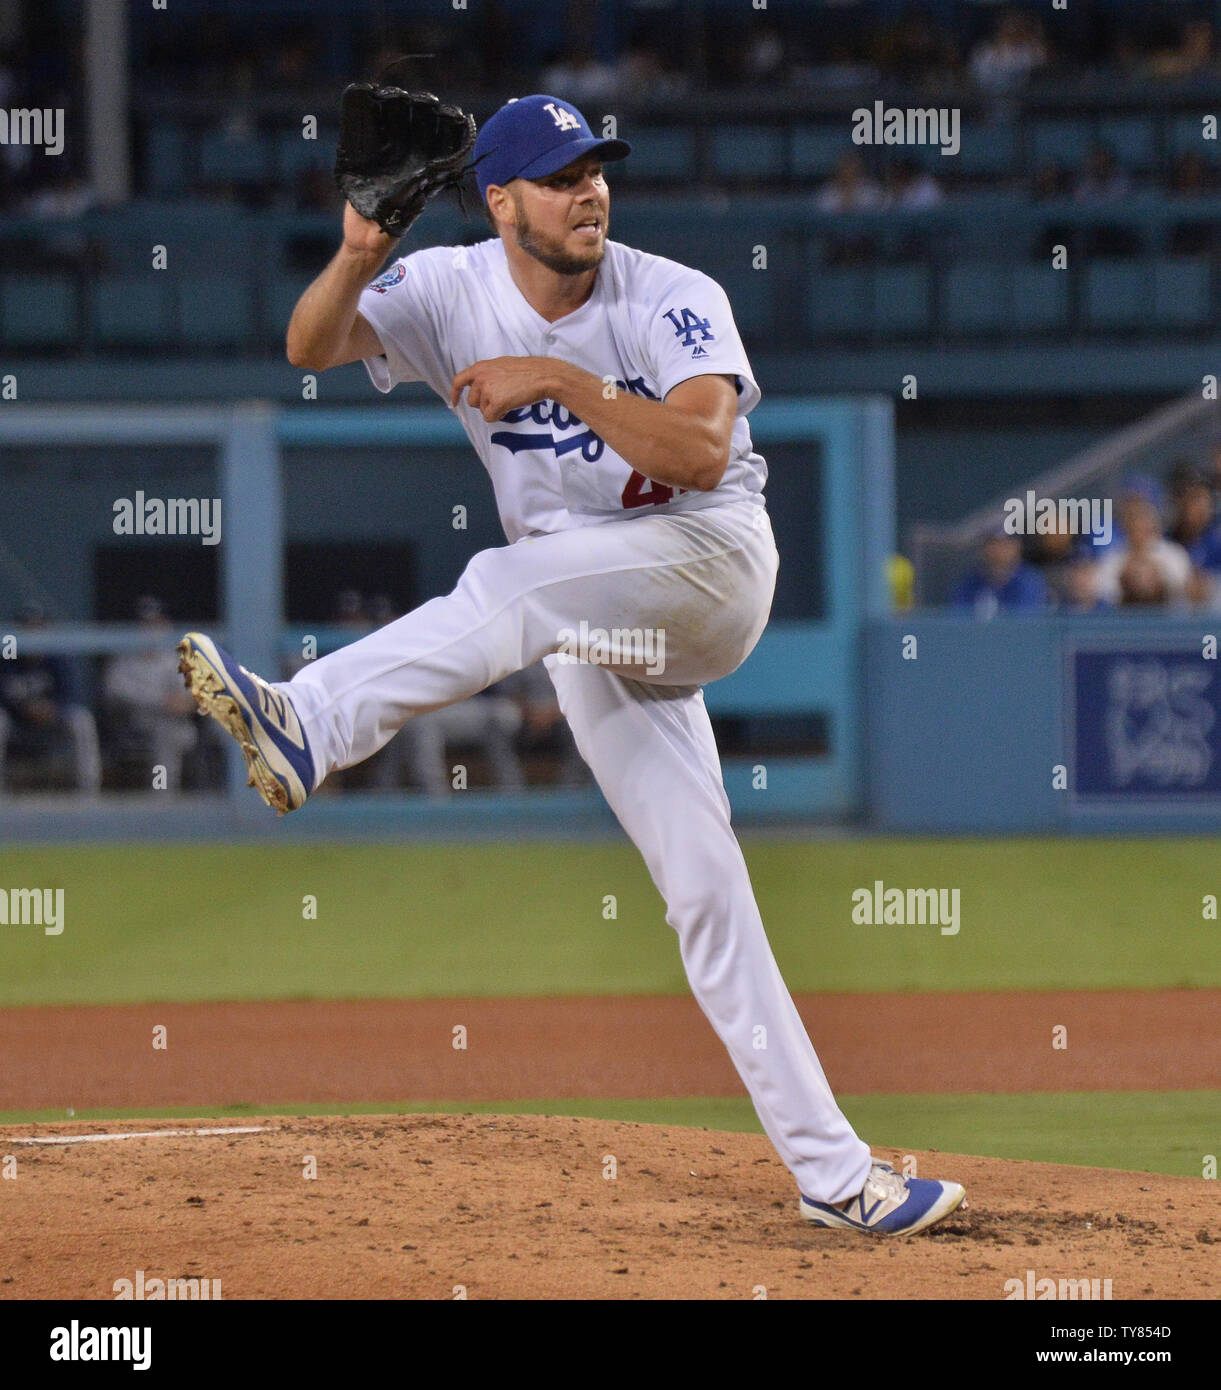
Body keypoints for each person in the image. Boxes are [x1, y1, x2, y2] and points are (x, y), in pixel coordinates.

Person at [178, 92, 965, 1236]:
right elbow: (309, 345)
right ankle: (838, 1176)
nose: (590, 188)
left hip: (710, 570)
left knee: (511, 580)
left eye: (597, 167)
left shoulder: (670, 296)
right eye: (560, 174)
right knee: (705, 891)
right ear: (500, 202)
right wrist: (357, 253)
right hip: (586, 618)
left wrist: (557, 382)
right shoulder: (450, 285)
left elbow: (700, 450)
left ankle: (312, 719)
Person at [103, 596, 204, 790]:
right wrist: (161, 702)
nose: (150, 630)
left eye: (156, 624)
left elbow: (190, 695)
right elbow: (115, 692)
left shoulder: (173, 658)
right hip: (136, 722)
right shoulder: (123, 660)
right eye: (145, 624)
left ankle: (216, 788)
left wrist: (188, 702)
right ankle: (162, 792)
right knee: (166, 732)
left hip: (177, 723)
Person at [0, 603, 101, 793]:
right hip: (17, 722)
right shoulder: (7, 659)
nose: (32, 635)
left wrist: (52, 708)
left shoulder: (58, 657)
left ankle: (89, 788)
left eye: (37, 628)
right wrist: (23, 707)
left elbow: (71, 694)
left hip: (53, 719)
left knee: (82, 720)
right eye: (26, 629)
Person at [951, 531, 1049, 616]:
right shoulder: (971, 582)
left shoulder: (1029, 581)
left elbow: (1024, 624)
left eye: (1005, 543)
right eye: (993, 543)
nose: (998, 550)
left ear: (1017, 546)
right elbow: (958, 618)